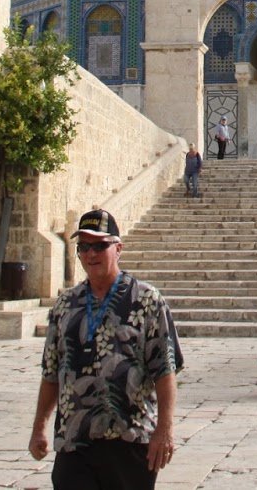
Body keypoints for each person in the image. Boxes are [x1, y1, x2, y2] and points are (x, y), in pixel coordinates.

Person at [30, 209, 181, 488]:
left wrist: (165, 430)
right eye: (83, 247)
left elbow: (165, 369)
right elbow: (51, 371)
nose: (91, 254)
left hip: (129, 440)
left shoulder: (147, 301)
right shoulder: (65, 306)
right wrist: (40, 426)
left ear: (118, 248)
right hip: (74, 441)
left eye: (100, 245)